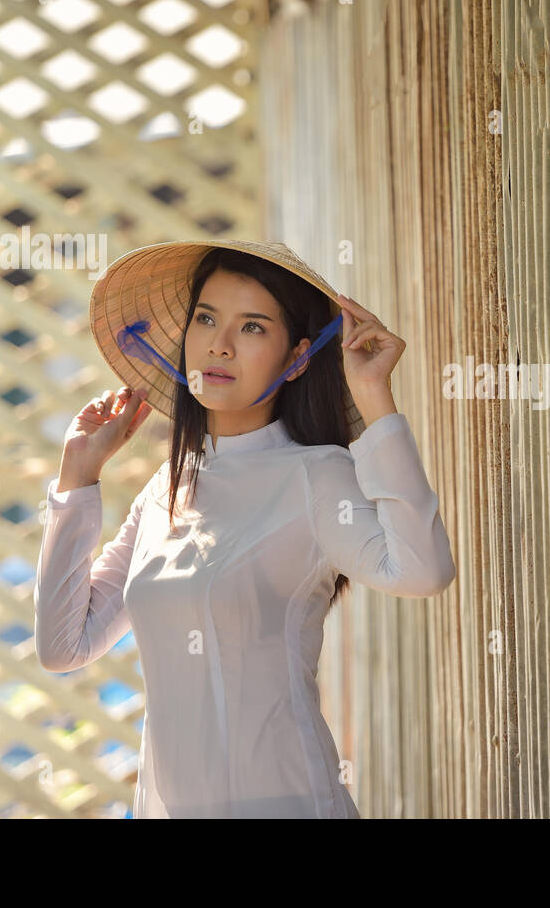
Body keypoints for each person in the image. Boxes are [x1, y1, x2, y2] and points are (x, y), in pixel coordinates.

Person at [33, 241, 456, 818]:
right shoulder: (165, 492)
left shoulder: (314, 476)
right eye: (206, 318)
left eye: (252, 327)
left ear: (299, 358)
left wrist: (376, 399)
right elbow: (63, 647)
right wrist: (78, 478)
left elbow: (423, 571)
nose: (219, 344)